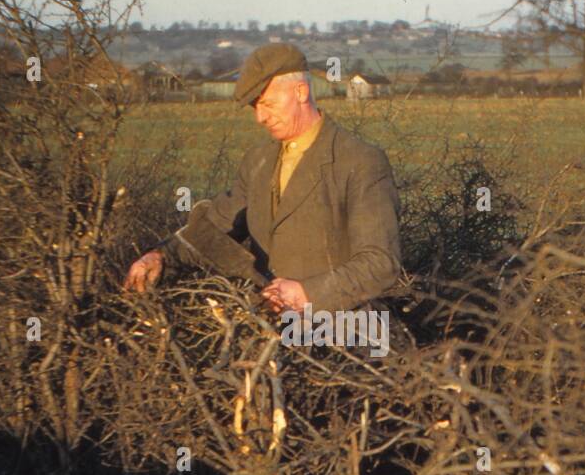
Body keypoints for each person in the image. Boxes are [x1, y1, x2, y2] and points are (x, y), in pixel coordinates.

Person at [123, 42, 402, 314]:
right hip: (268, 333)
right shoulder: (257, 161)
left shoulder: (360, 160)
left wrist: (309, 293)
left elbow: (380, 264)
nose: (260, 117)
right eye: (255, 107)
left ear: (301, 92)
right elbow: (214, 227)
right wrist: (161, 255)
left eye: (267, 103)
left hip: (340, 333)